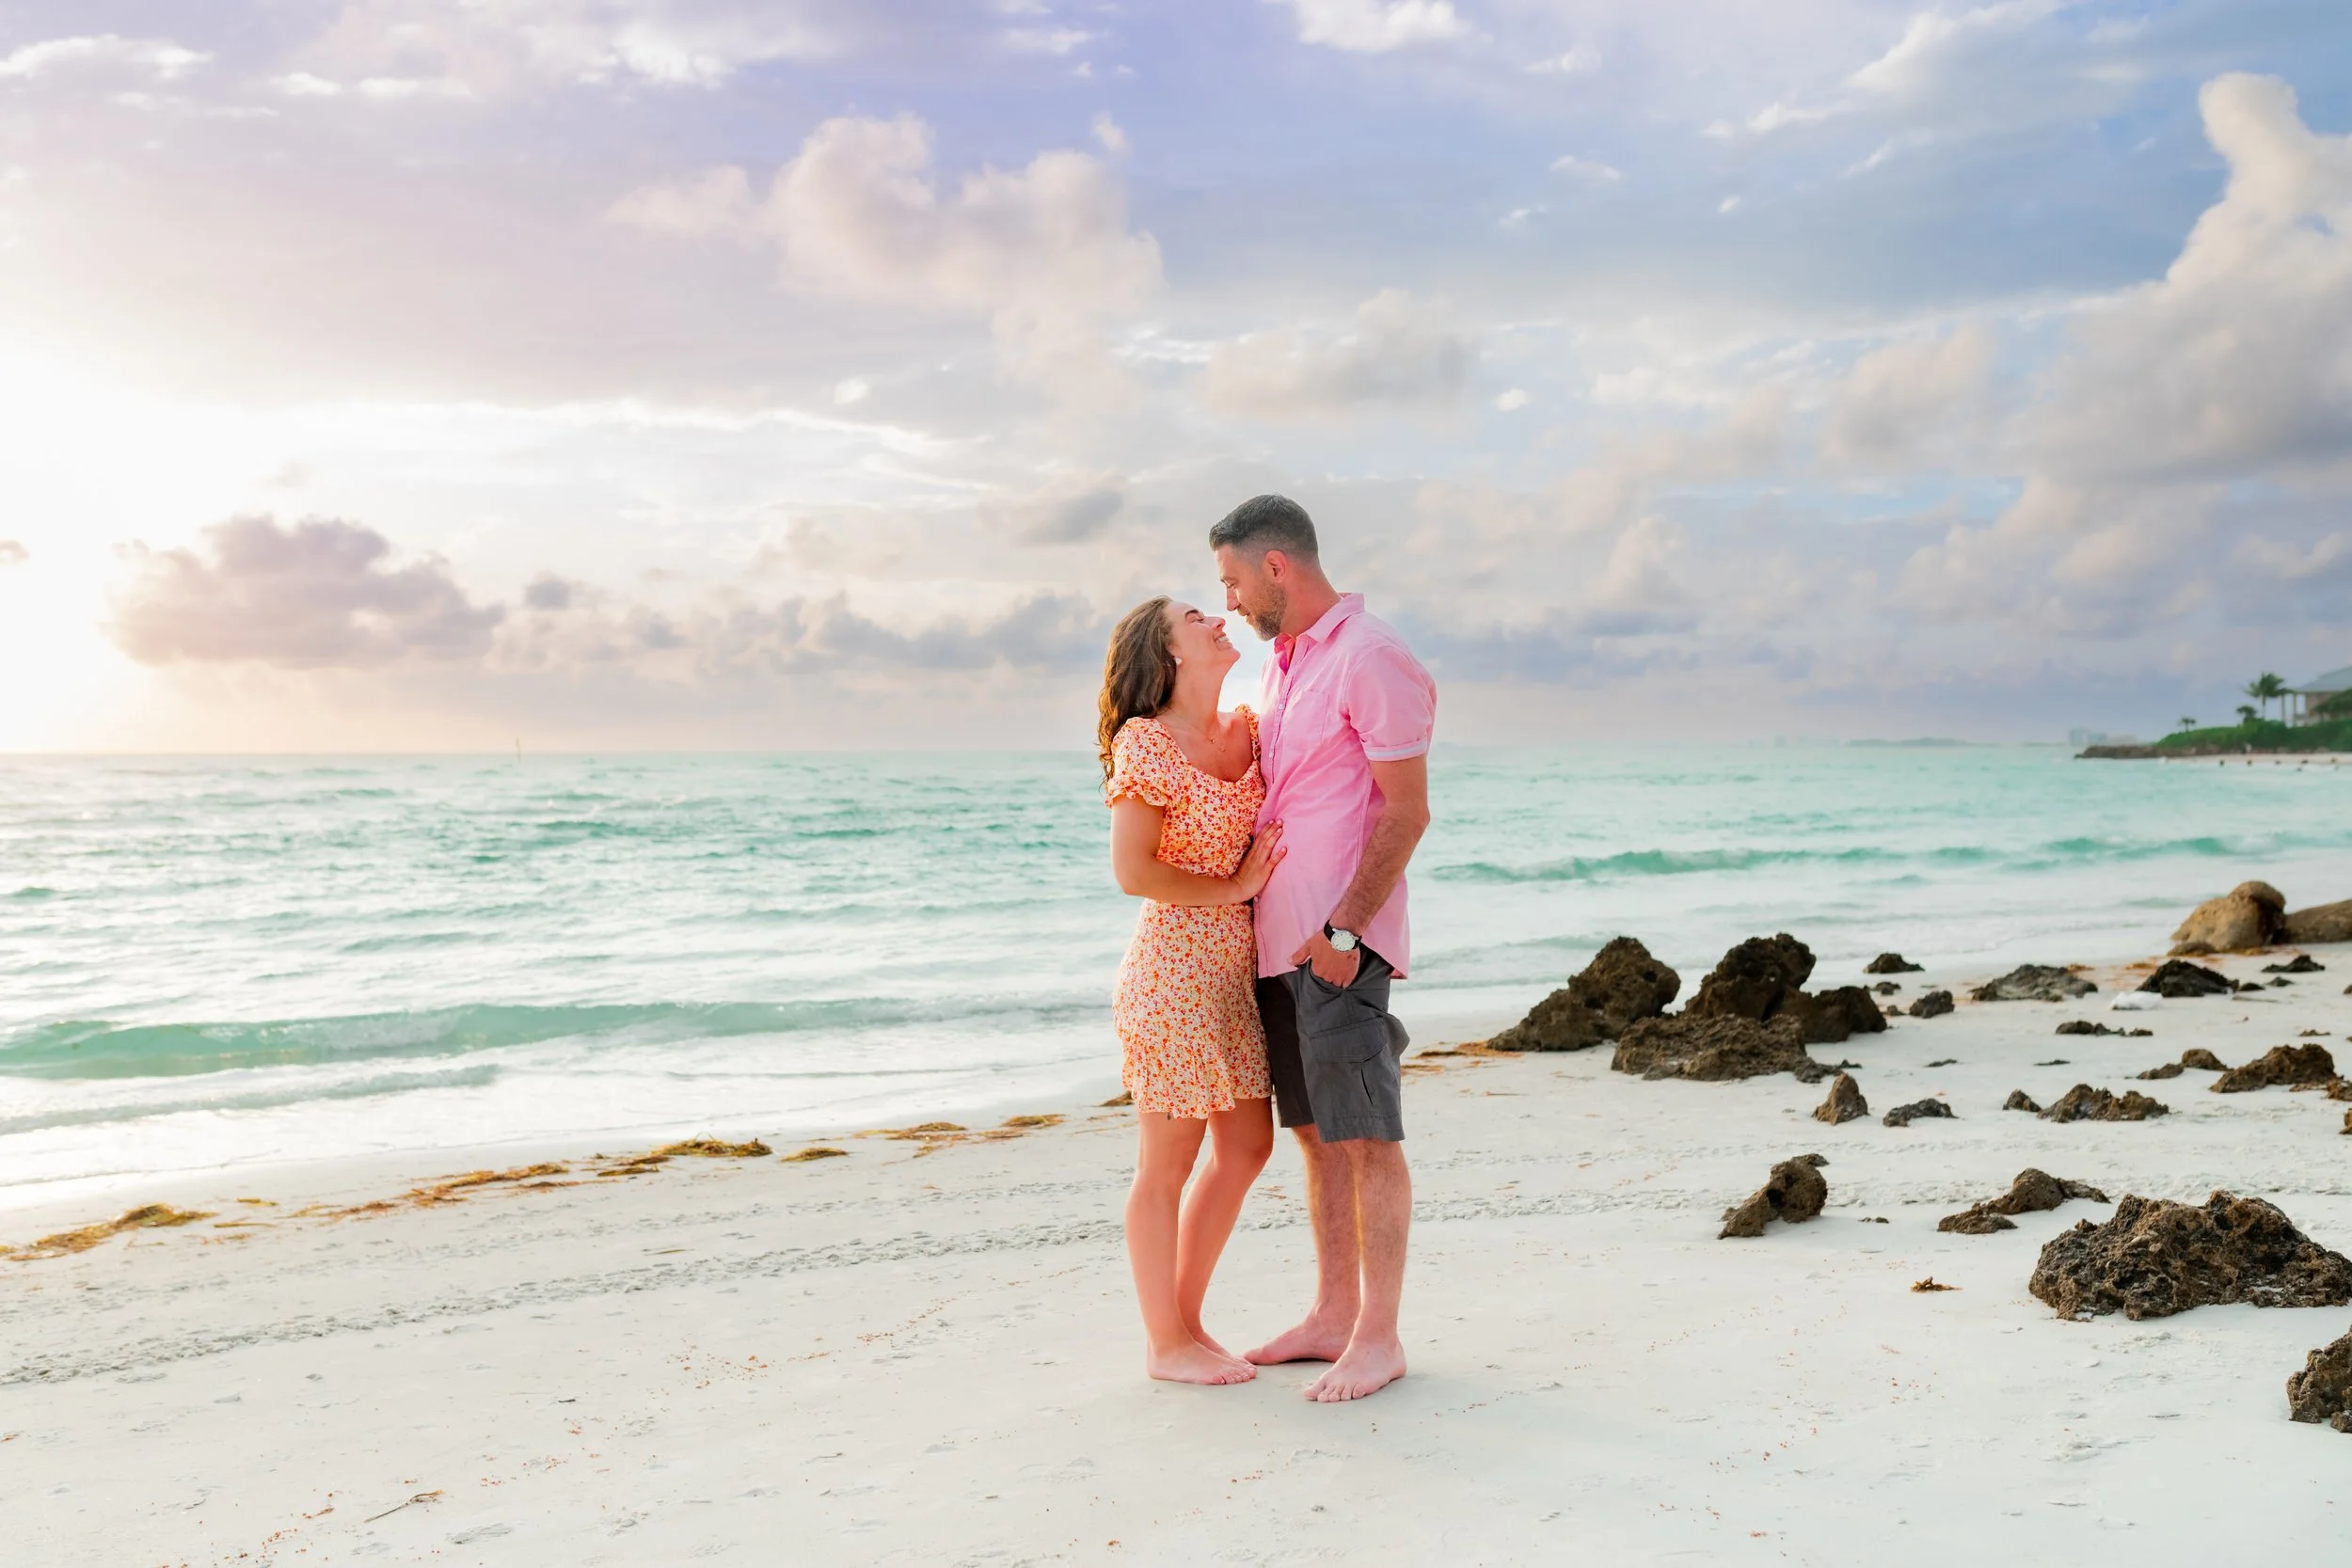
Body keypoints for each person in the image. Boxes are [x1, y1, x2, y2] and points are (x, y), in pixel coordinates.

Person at [1212, 495, 1435, 1403]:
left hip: (1340, 945)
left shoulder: (1373, 657)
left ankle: (1379, 1335)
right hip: (1276, 944)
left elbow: (1407, 810)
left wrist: (1346, 928)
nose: (1227, 603)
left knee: (1366, 1136)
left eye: (1232, 581)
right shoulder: (1282, 668)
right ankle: (1332, 1313)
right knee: (1314, 1136)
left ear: (1277, 567)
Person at [1100, 595, 1289, 1386]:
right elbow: (1134, 872)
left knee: (1248, 1146)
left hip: (1233, 978)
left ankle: (1183, 1322)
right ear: (1166, 651)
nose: (1217, 617)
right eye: (1193, 616)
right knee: (1166, 1163)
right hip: (1171, 974)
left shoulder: (1248, 729)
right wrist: (1237, 883)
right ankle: (1163, 1343)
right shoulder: (1147, 743)